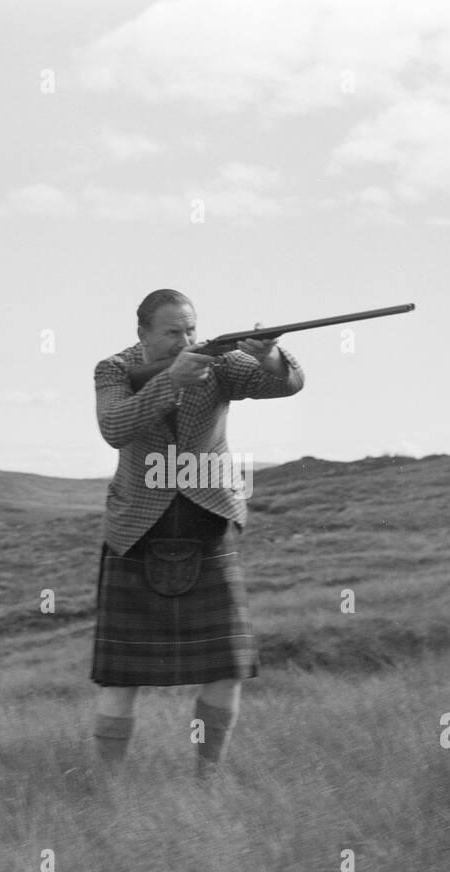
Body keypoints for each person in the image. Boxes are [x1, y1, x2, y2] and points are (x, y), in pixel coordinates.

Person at [90, 290, 305, 776]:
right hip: (136, 532)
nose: (185, 340)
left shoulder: (219, 363)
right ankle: (107, 791)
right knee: (119, 679)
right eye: (171, 332)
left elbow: (287, 384)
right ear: (142, 334)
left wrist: (267, 353)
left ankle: (208, 781)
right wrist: (168, 382)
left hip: (208, 526)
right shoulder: (114, 370)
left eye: (189, 330)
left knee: (226, 671)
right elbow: (113, 426)